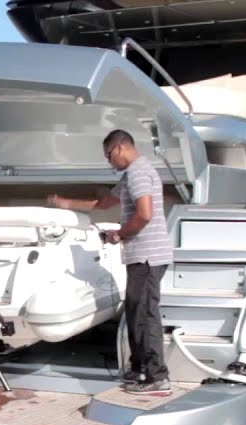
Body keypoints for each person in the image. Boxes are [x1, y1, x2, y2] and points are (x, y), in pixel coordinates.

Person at [48, 129, 173, 395]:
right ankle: (140, 369)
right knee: (135, 312)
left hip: (148, 255)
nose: (109, 162)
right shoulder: (131, 175)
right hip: (143, 255)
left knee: (145, 315)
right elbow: (104, 203)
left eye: (108, 156)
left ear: (119, 148)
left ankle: (156, 377)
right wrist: (65, 203)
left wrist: (119, 234)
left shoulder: (138, 172)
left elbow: (144, 214)